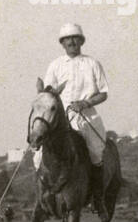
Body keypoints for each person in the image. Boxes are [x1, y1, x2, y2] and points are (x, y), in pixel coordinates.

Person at [38, 23, 110, 208]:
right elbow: (47, 94)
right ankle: (43, 197)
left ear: (81, 41)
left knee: (96, 151)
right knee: (38, 154)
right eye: (67, 39)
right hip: (60, 118)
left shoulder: (93, 63)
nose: (71, 42)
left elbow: (103, 93)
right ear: (62, 43)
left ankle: (96, 196)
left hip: (86, 115)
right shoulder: (55, 65)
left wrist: (85, 103)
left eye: (75, 38)